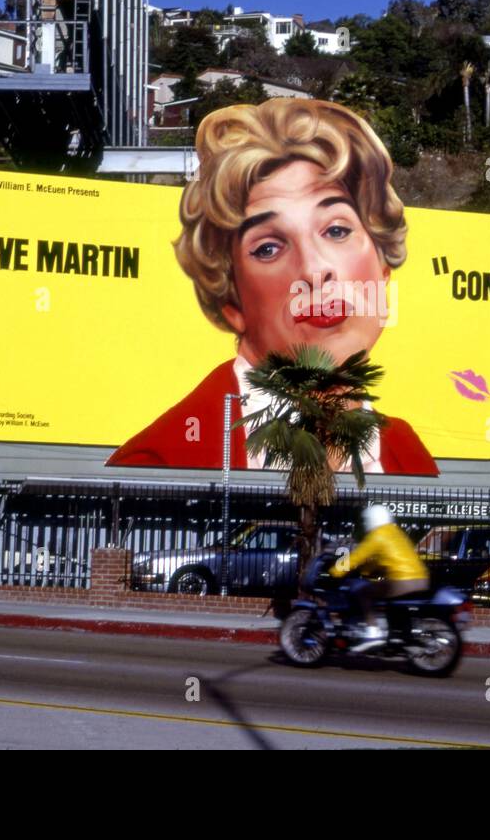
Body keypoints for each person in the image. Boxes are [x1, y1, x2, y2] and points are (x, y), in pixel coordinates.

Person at [106, 98, 437, 475]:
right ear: (230, 298)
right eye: (268, 248)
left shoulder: (408, 456)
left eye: (336, 229)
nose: (314, 270)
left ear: (382, 268)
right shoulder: (158, 465)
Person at [329, 503, 429, 651]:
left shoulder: (378, 535)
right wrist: (367, 571)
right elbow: (382, 559)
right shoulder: (396, 533)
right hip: (420, 579)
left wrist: (336, 571)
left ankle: (373, 632)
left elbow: (359, 555)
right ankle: (401, 635)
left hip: (403, 580)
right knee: (391, 602)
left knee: (364, 593)